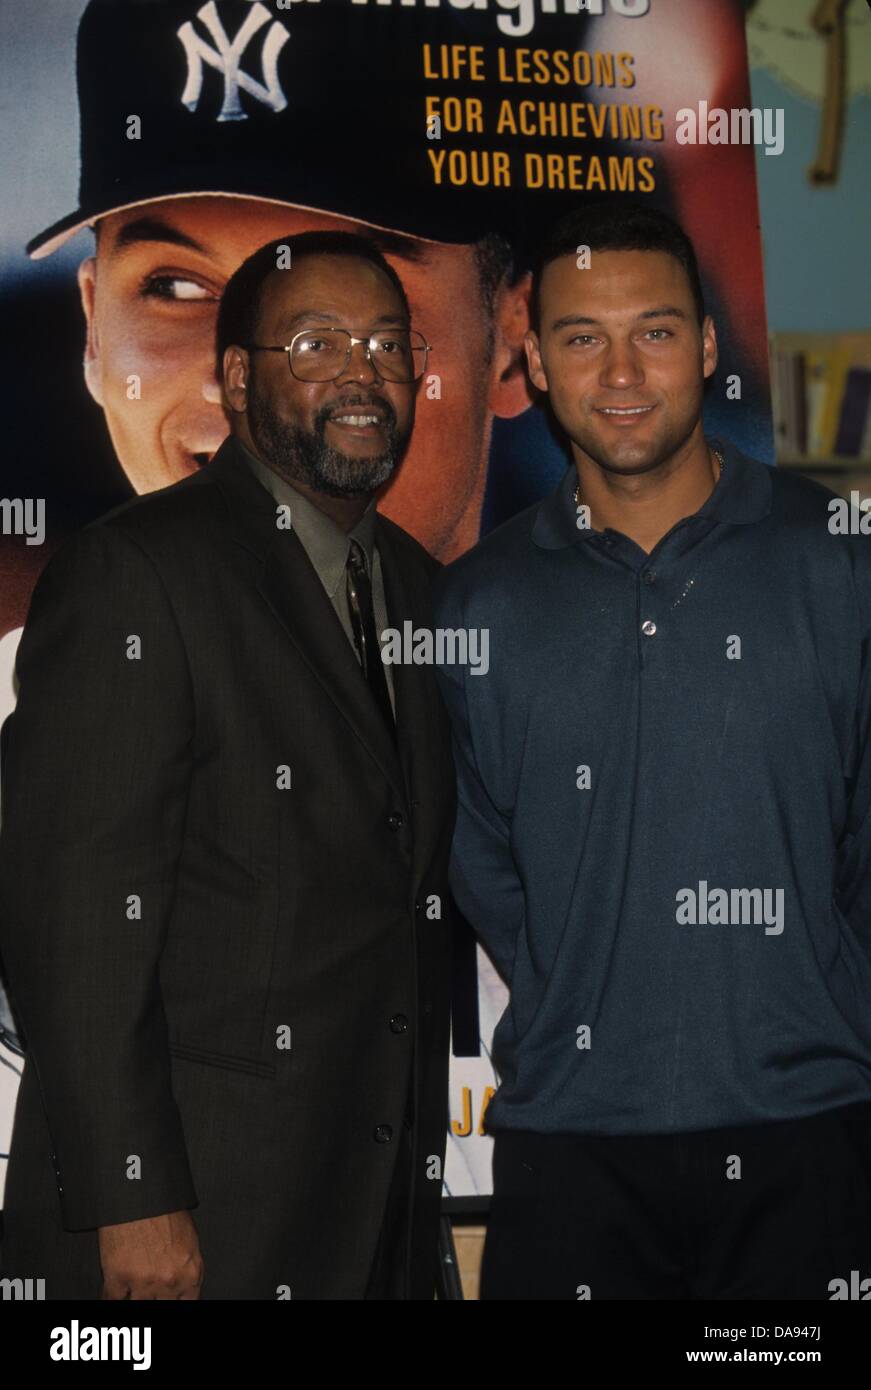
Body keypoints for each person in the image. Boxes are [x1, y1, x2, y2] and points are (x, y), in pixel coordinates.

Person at [0, 230, 457, 1300]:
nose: (361, 372)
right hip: (186, 1226)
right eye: (317, 342)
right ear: (241, 378)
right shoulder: (136, 573)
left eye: (387, 343)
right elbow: (69, 917)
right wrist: (131, 1199)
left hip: (367, 1216)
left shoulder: (423, 591)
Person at [434, 200, 871, 1300]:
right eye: (583, 336)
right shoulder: (477, 603)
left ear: (709, 347)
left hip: (811, 1140)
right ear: (532, 362)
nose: (621, 370)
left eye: (658, 331)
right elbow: (485, 865)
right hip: (571, 1155)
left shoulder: (837, 560)